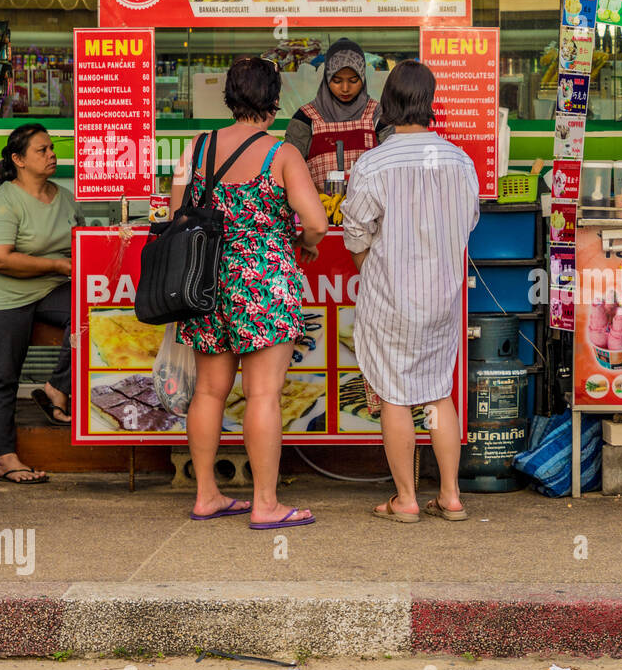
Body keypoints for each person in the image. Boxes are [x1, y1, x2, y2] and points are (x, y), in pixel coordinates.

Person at [172, 57, 328, 529]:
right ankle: (265, 504)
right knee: (263, 394)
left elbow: (177, 211)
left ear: (229, 97)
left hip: (204, 283)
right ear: (275, 100)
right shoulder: (281, 154)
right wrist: (303, 243)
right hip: (263, 285)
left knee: (209, 393)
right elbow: (317, 223)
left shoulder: (196, 148)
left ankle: (207, 495)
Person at [340, 60, 480, 522]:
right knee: (439, 392)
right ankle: (452, 495)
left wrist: (370, 264)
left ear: (389, 103)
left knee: (395, 396)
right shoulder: (459, 161)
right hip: (443, 296)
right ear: (429, 101)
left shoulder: (374, 163)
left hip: (391, 298)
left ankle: (406, 500)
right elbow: (469, 222)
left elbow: (355, 229)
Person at [0, 123, 81, 484]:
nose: (52, 155)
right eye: (42, 150)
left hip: (46, 287)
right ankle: (5, 458)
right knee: (3, 377)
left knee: (93, 312)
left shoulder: (63, 197)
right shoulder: (3, 199)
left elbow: (76, 245)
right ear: (18, 160)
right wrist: (60, 265)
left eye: (51, 148)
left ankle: (55, 389)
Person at [283, 38, 384, 191]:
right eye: (337, 80)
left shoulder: (378, 115)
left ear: (363, 78)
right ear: (327, 78)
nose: (345, 88)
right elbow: (289, 170)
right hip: (317, 212)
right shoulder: (306, 118)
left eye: (353, 80)